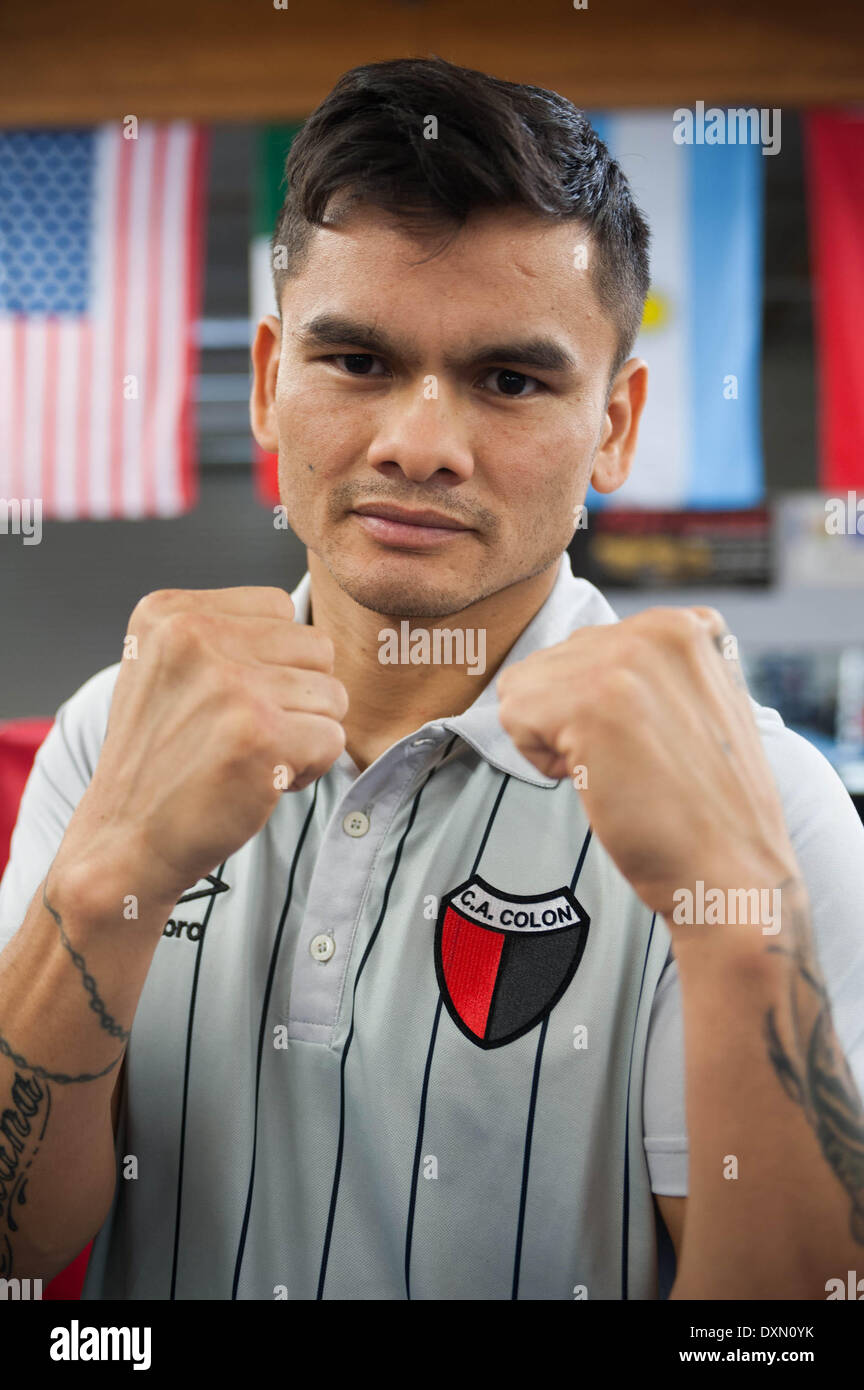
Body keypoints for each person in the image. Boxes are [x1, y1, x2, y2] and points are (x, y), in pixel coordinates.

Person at [1, 56, 862, 1302]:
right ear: (267, 383)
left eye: (509, 380)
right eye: (354, 360)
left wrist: (740, 925)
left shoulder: (768, 801)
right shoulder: (112, 727)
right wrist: (104, 886)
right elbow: (20, 1252)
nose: (418, 444)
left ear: (615, 425)